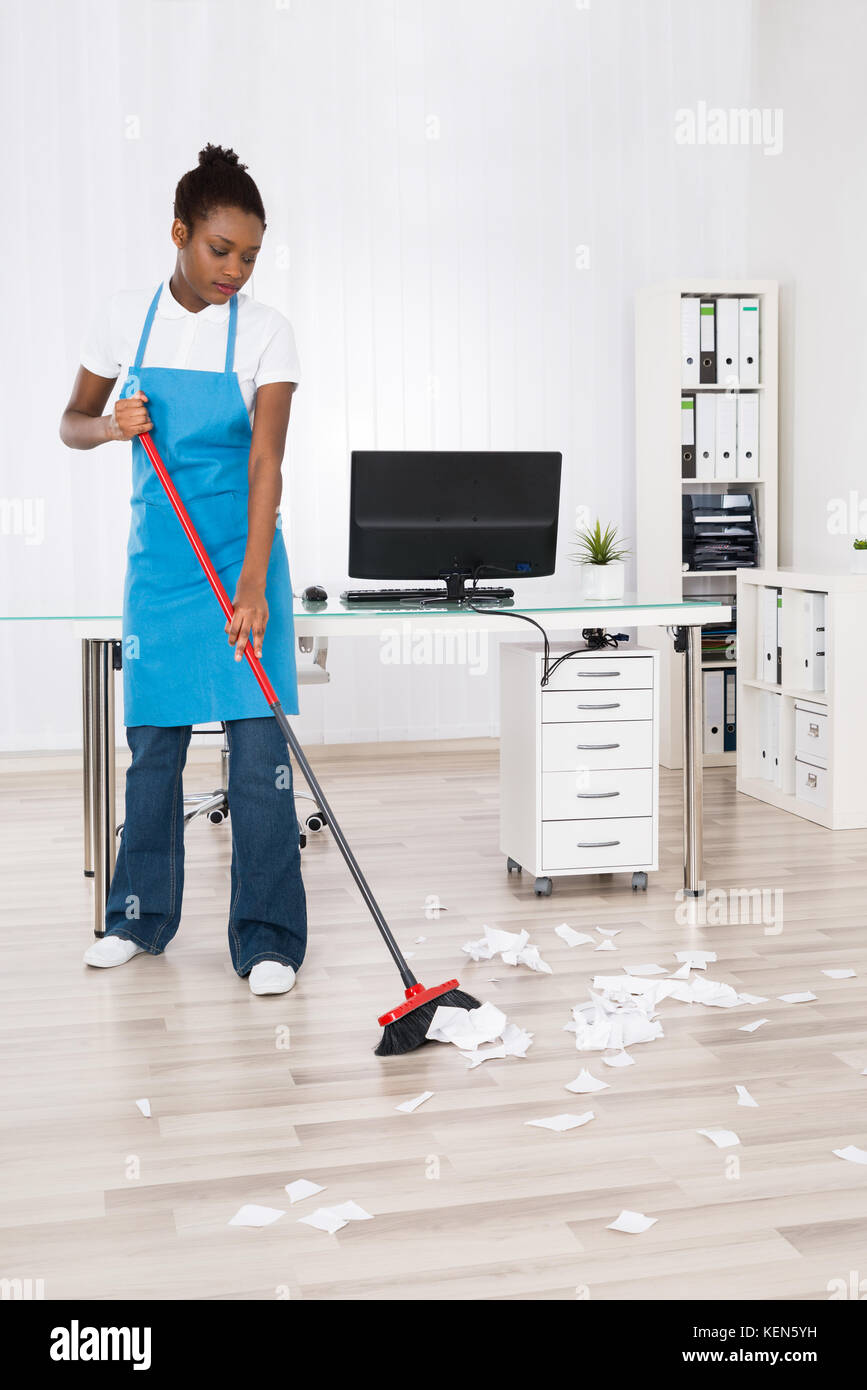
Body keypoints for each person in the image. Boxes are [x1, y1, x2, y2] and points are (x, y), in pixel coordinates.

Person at [60, 143, 307, 995]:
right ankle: (138, 915)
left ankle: (269, 937)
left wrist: (248, 585)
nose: (233, 270)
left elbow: (266, 464)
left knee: (257, 757)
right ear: (179, 233)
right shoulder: (123, 320)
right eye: (218, 250)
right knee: (153, 751)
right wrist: (113, 427)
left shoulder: (269, 331)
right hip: (162, 567)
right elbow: (71, 423)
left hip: (244, 562)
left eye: (248, 256)